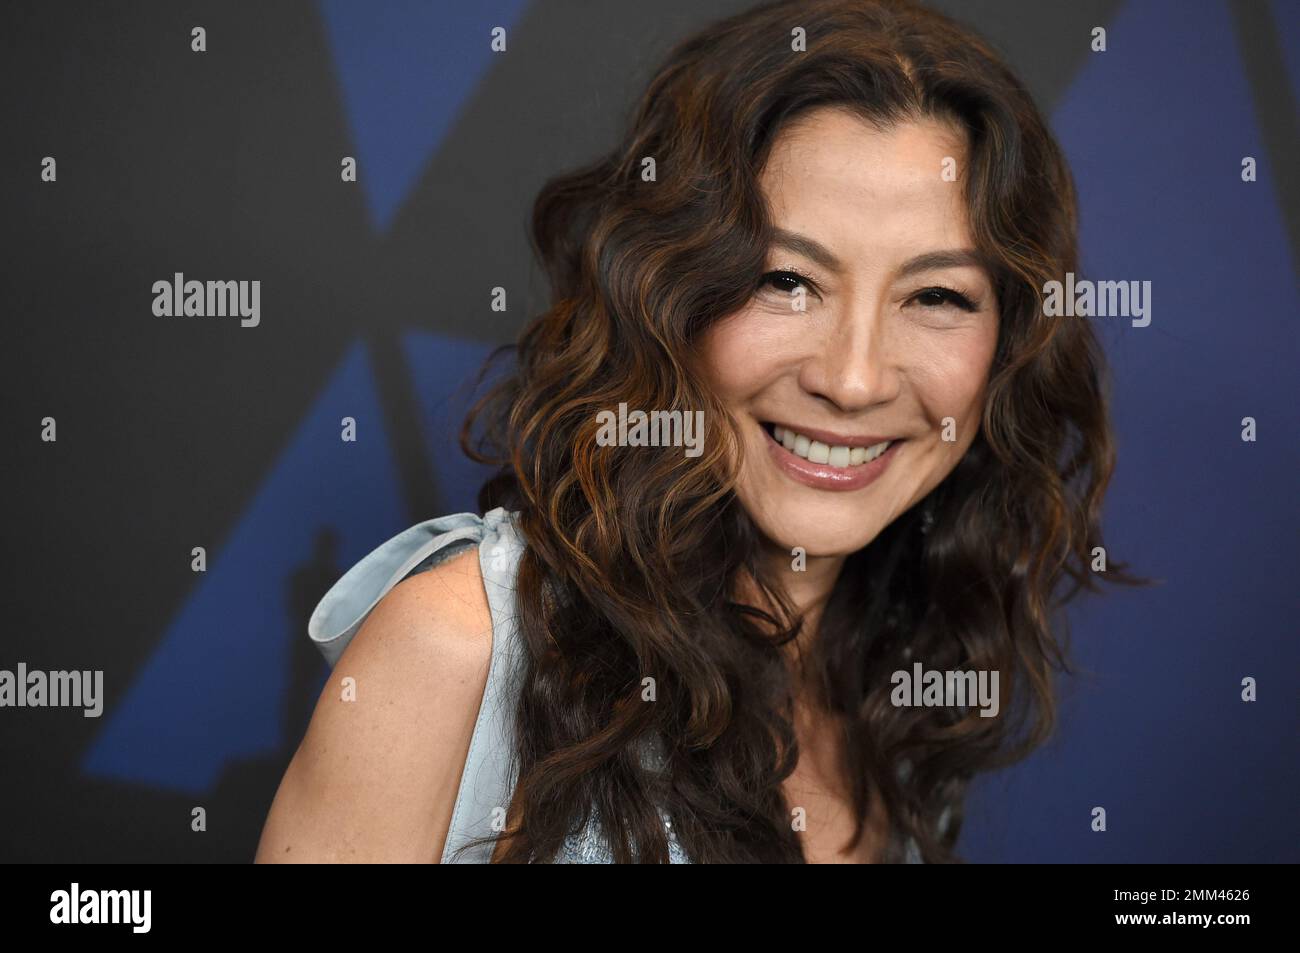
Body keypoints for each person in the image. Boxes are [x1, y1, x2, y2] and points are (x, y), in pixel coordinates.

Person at [256, 0, 1132, 864]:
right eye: (787, 280)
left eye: (937, 296)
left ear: (1010, 344)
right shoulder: (461, 646)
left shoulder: (900, 689)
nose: (854, 378)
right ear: (667, 295)